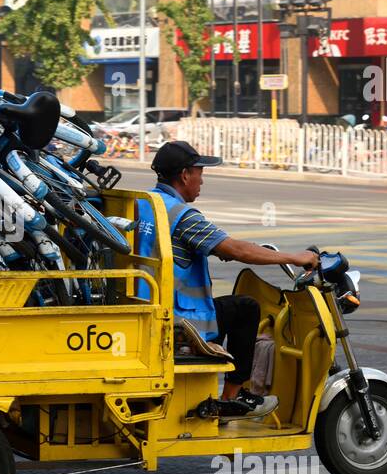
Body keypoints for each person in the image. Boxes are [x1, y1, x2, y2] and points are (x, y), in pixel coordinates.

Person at [136, 141, 320, 420]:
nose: (202, 181)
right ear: (185, 175)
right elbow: (237, 250)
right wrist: (296, 257)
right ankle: (231, 399)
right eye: (200, 173)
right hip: (179, 321)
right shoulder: (182, 216)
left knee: (232, 307)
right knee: (245, 308)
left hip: (147, 307)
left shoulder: (144, 203)